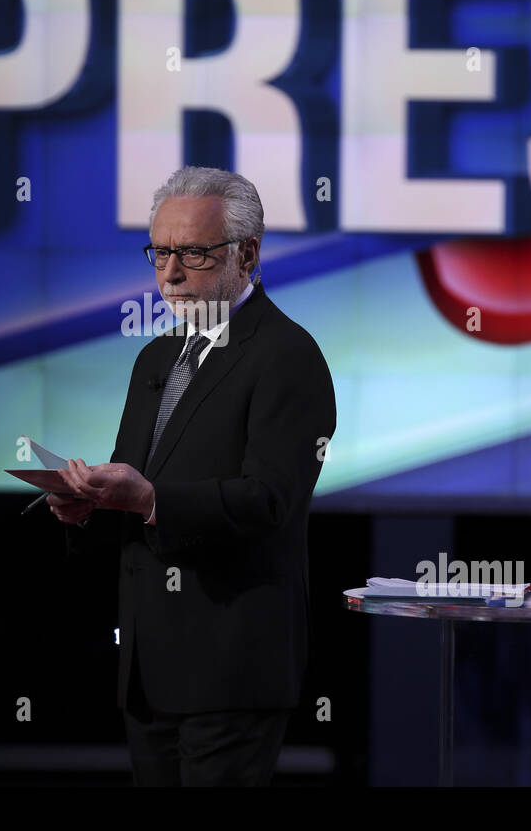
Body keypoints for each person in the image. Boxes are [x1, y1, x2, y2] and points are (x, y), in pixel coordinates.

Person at [49, 166, 336, 787]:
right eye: (161, 252)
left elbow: (268, 501)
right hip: (150, 671)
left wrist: (151, 500)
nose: (170, 274)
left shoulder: (287, 355)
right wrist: (87, 508)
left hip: (232, 668)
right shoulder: (154, 356)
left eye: (194, 254)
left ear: (247, 255)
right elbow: (139, 491)